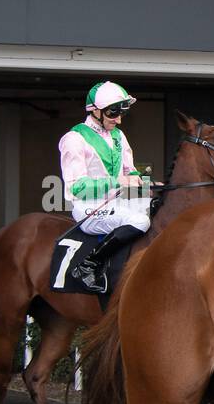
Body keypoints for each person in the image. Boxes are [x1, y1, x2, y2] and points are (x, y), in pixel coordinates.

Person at [57, 80, 148, 294]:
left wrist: (143, 183)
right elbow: (76, 188)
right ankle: (87, 266)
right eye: (112, 113)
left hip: (118, 202)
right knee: (140, 220)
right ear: (95, 111)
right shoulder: (74, 139)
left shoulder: (118, 136)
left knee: (158, 206)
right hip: (89, 209)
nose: (118, 120)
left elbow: (130, 171)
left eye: (121, 113)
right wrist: (118, 182)